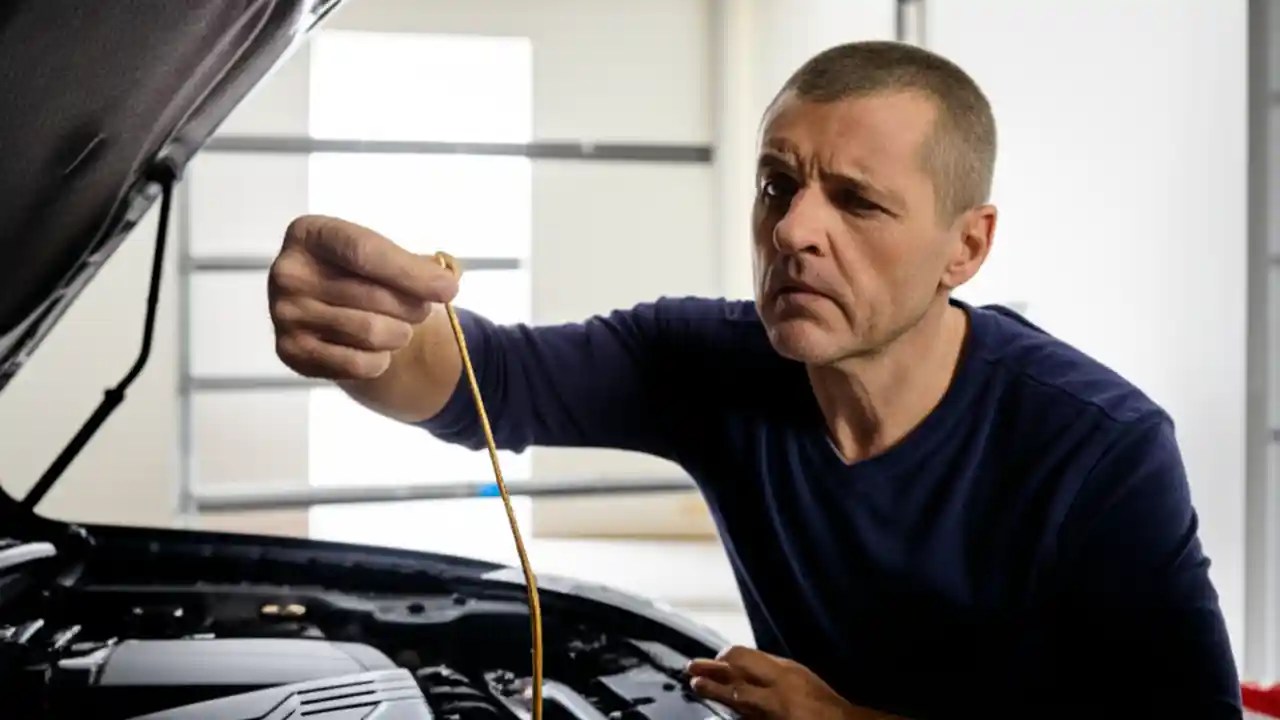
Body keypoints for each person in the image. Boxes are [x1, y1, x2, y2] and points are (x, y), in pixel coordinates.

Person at [266, 41, 1241, 719]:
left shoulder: (1099, 446)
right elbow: (488, 379)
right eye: (778, 185)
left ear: (965, 247)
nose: (791, 231)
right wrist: (370, 332)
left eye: (855, 202)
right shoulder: (712, 358)